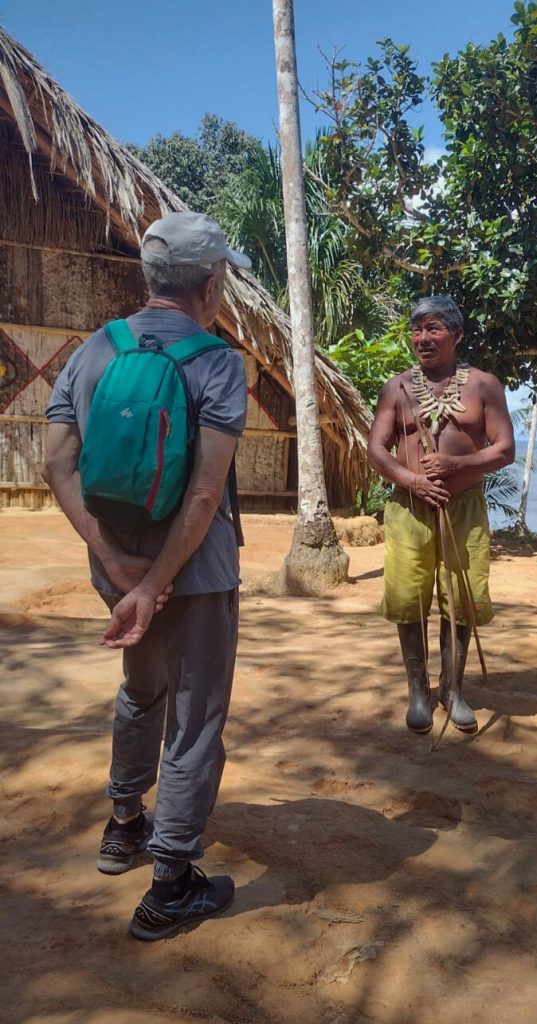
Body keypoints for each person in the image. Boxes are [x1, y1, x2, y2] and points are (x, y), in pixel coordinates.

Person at [42, 211, 250, 941]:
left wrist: (118, 567)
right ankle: (170, 886)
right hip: (192, 577)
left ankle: (124, 824)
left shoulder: (97, 348)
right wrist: (156, 581)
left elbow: (56, 464)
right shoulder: (219, 362)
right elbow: (202, 495)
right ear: (210, 282)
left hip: (119, 564)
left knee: (140, 690)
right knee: (195, 721)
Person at [367, 296, 515, 735]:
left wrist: (457, 467)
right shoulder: (396, 388)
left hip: (464, 510)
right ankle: (418, 690)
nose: (423, 339)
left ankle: (452, 690)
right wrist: (411, 481)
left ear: (457, 335)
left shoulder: (484, 386)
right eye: (417, 330)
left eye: (433, 329)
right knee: (409, 598)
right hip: (408, 510)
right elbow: (377, 449)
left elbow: (504, 449)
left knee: (461, 599)